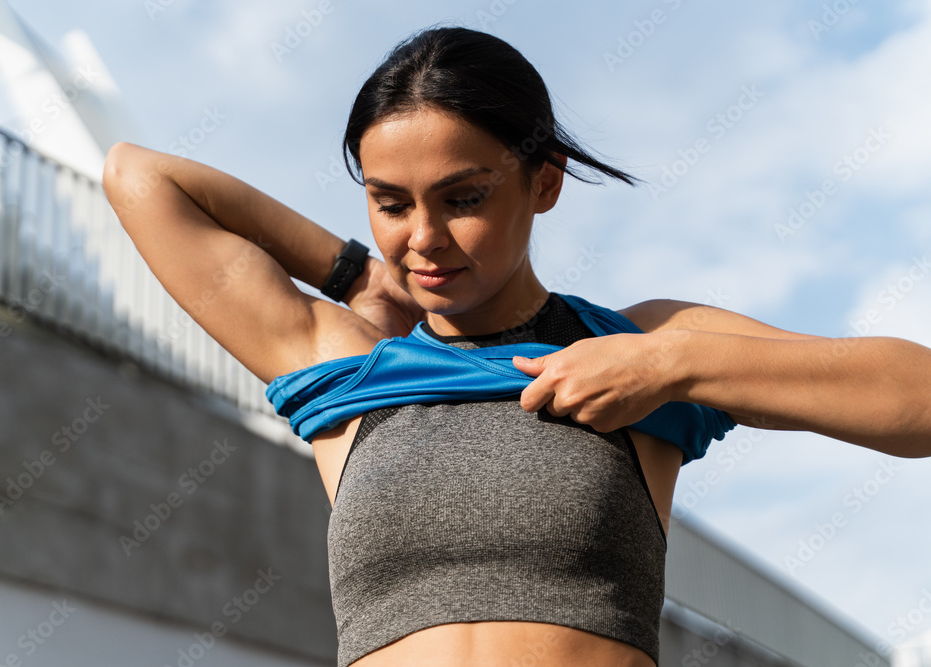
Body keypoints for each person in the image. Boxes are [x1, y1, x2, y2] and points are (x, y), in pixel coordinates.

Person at [102, 24, 931, 667]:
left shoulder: (639, 346)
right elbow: (137, 176)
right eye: (391, 203)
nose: (424, 238)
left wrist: (672, 363)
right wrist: (354, 274)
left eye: (462, 197)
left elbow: (917, 399)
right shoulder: (347, 367)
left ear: (544, 181)